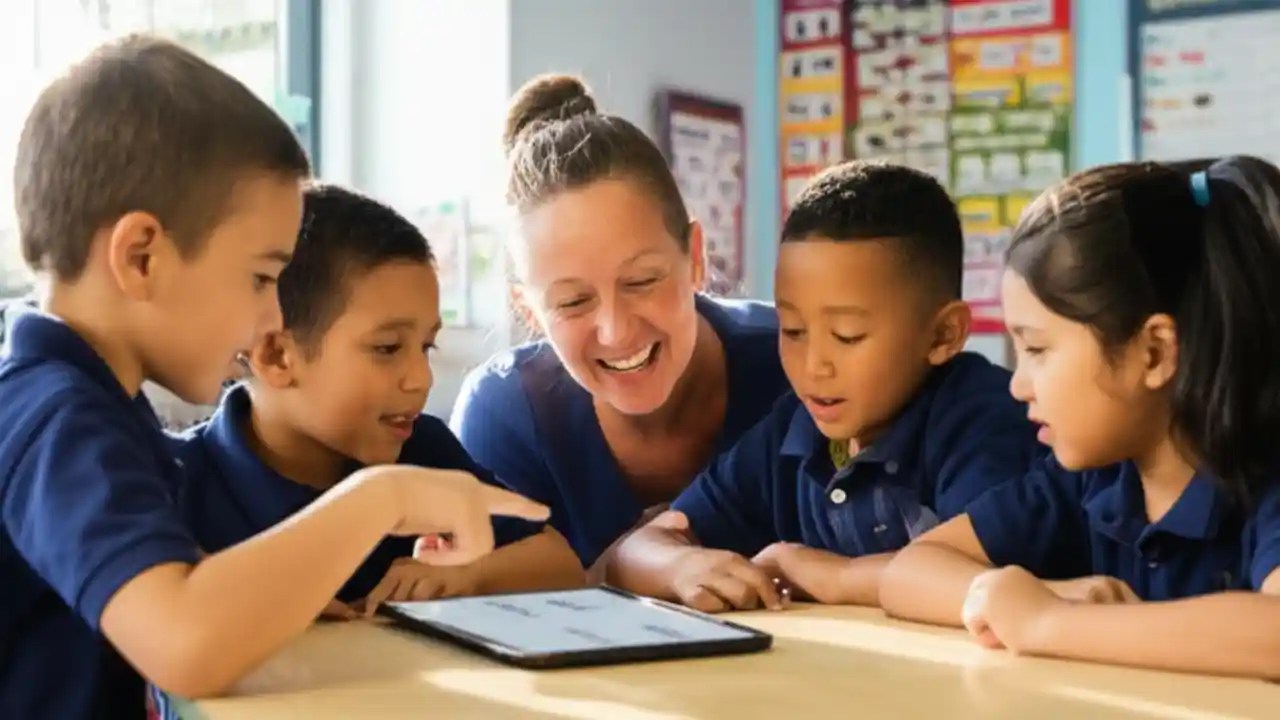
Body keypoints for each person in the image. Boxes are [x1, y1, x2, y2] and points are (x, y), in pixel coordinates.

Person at [0, 35, 545, 719]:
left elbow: (164, 589)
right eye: (261, 278)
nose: (270, 318)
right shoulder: (55, 417)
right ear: (142, 258)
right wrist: (385, 498)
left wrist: (282, 597)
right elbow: (182, 642)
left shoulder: (93, 404)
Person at [878, 157, 1280, 679]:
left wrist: (1047, 622)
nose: (1017, 384)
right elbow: (908, 571)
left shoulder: (1263, 479)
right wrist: (1029, 596)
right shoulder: (1090, 483)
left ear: (1154, 353)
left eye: (1037, 350)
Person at [605, 161, 1040, 612]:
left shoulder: (983, 422)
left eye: (848, 335)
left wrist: (836, 577)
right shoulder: (791, 434)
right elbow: (634, 553)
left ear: (942, 335)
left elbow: (987, 577)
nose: (814, 366)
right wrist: (681, 566)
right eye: (793, 330)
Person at [173, 183, 584, 618]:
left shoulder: (421, 450)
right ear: (276, 356)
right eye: (387, 348)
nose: (422, 379)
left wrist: (469, 575)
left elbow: (561, 565)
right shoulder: (171, 481)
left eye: (426, 347)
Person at [449, 75, 789, 570]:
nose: (616, 331)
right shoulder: (504, 414)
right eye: (573, 301)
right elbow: (482, 601)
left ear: (695, 258)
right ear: (529, 310)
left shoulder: (797, 361)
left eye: (641, 281)